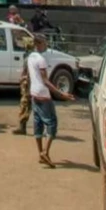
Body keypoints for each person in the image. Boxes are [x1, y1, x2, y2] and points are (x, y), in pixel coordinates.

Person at [27, 33, 75, 168]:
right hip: (43, 94)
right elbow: (46, 81)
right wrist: (62, 94)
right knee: (51, 123)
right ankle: (45, 152)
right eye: (44, 43)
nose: (46, 45)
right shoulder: (41, 59)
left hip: (34, 93)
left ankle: (41, 153)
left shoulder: (30, 57)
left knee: (38, 123)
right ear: (39, 44)